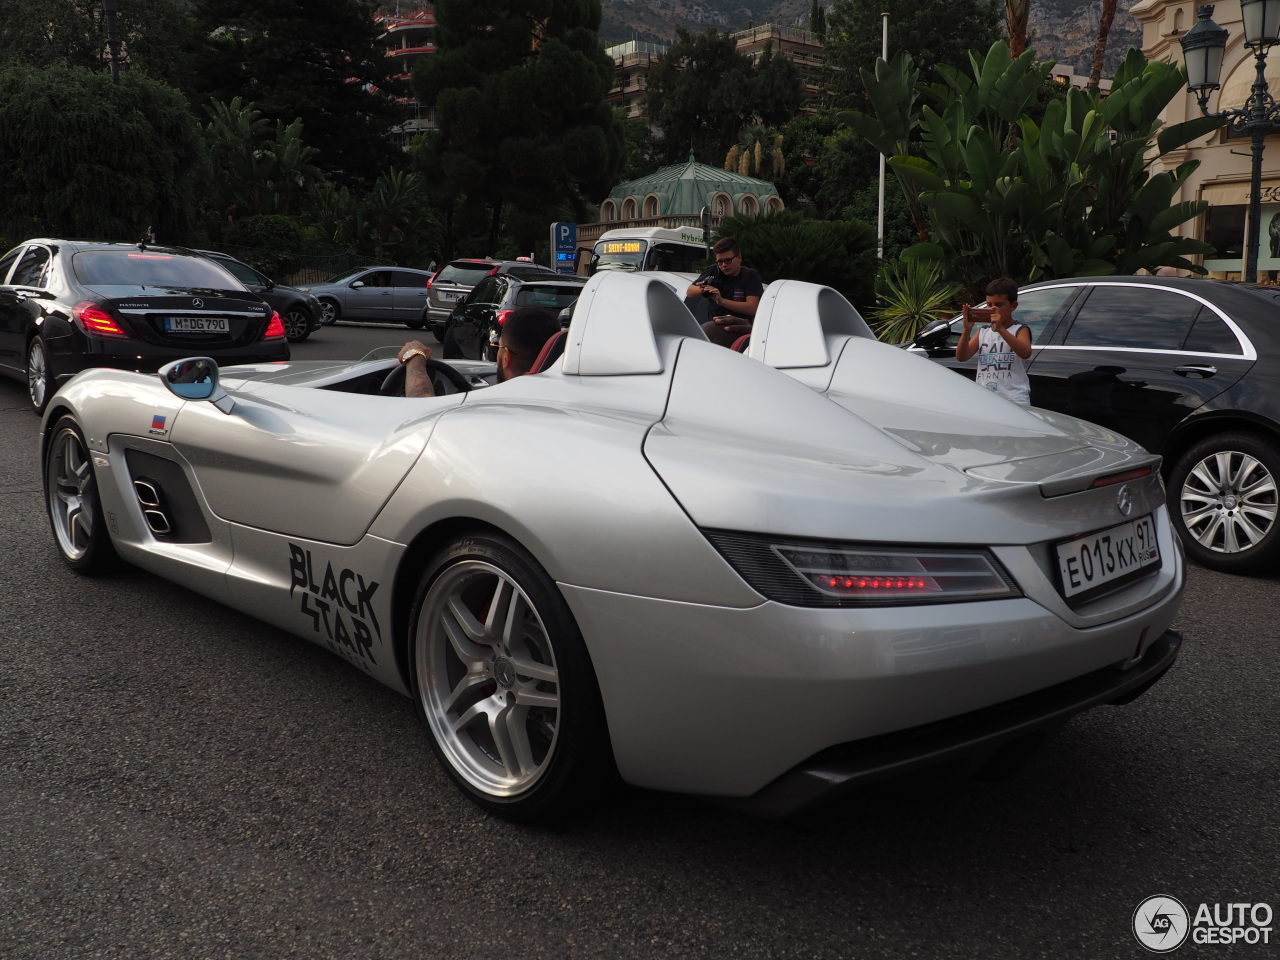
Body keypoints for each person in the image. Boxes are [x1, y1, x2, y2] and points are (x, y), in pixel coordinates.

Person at [398, 307, 561, 398]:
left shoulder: (499, 409)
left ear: (507, 357)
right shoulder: (567, 396)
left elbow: (422, 418)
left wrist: (415, 358)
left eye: (499, 347)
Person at [955, 277, 1032, 406]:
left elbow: (1025, 352)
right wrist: (966, 330)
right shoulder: (983, 331)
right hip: (985, 399)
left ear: (1013, 306)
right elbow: (961, 357)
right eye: (989, 304)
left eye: (999, 305)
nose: (993, 309)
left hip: (1014, 400)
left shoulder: (1019, 329)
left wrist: (1001, 329)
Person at [685, 238, 763, 347]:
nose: (723, 265)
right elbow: (690, 291)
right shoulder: (714, 270)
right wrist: (704, 288)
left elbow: (752, 308)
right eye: (720, 262)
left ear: (739, 258)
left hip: (740, 338)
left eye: (728, 260)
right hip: (714, 334)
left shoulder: (750, 275)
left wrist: (721, 301)